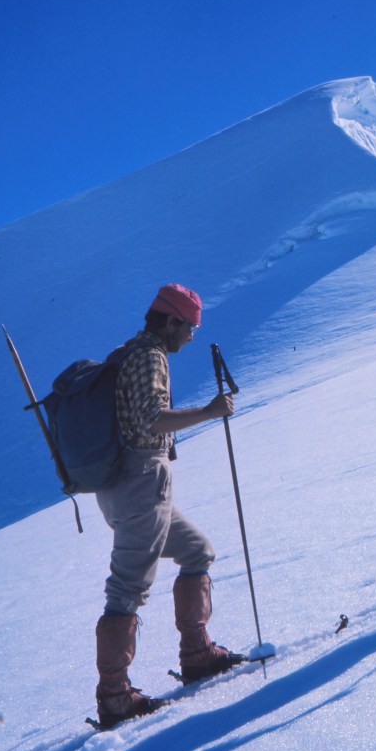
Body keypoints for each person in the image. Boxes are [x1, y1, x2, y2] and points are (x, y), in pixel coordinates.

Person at [93, 282, 245, 727]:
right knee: (127, 589)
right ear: (172, 320)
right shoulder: (148, 356)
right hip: (140, 484)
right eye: (190, 326)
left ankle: (197, 654)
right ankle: (115, 697)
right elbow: (150, 419)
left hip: (130, 484)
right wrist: (210, 412)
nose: (193, 336)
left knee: (198, 550)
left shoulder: (127, 351)